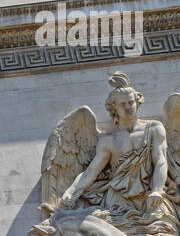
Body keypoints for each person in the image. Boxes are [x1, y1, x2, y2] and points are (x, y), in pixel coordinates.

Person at [57, 71, 170, 225]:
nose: (128, 107)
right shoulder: (107, 140)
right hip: (118, 198)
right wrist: (72, 191)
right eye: (122, 104)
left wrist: (157, 189)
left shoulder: (154, 128)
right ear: (114, 108)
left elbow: (160, 161)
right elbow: (92, 171)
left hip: (149, 196)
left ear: (137, 102)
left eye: (131, 102)